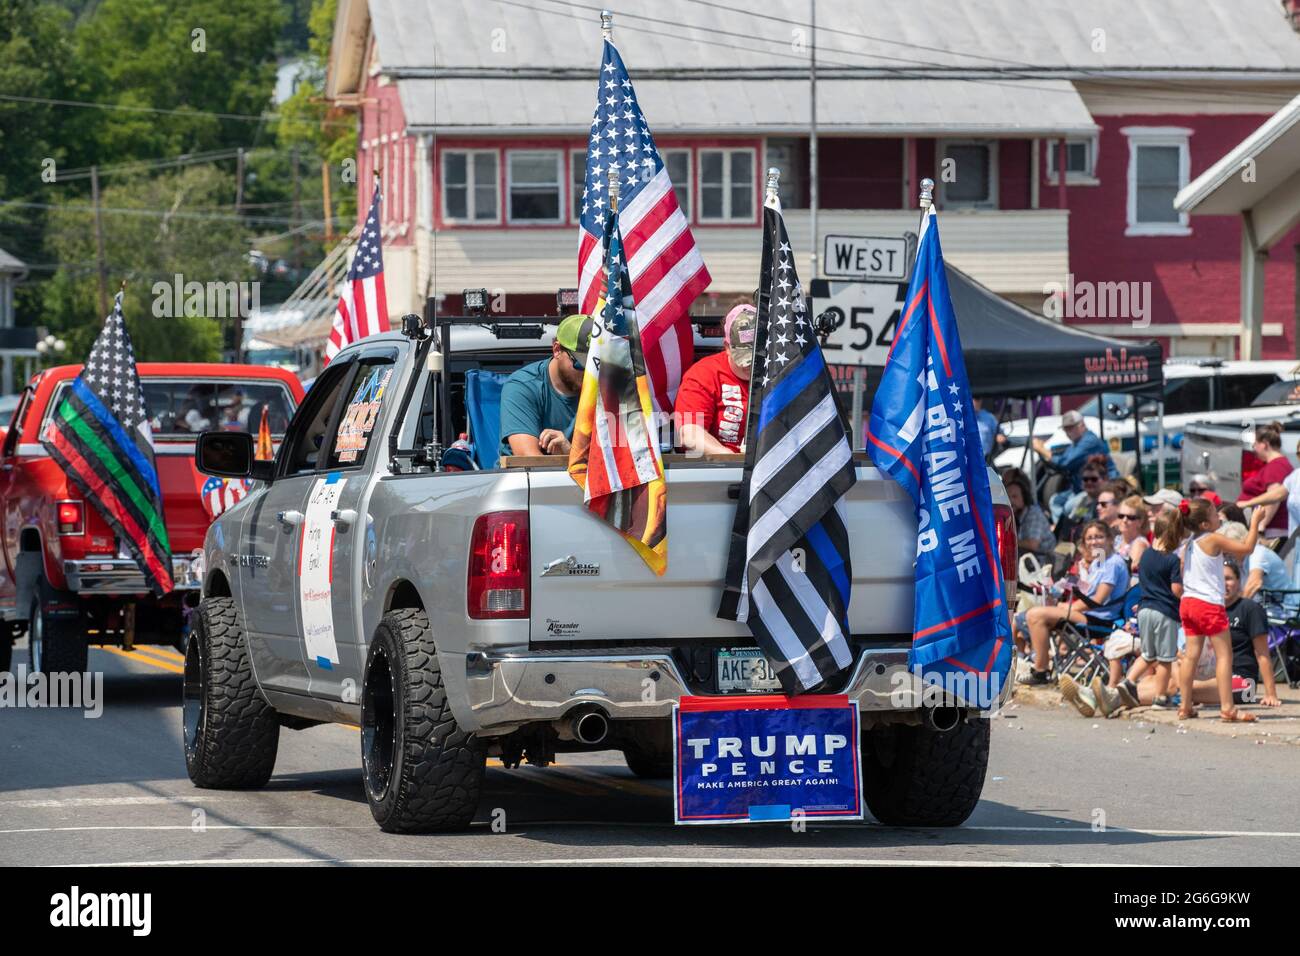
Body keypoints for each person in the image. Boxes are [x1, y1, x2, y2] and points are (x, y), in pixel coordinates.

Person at [1176, 498, 1266, 722]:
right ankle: (1228, 709)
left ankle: (1185, 705)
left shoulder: (1189, 543)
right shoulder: (1212, 539)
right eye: (1215, 514)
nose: (1219, 518)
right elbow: (1246, 548)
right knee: (1225, 655)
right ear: (1205, 524)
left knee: (1190, 657)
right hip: (1208, 604)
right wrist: (1255, 522)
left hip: (1188, 603)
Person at [1019, 520, 1129, 685]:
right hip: (1088, 614)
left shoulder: (1112, 563)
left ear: (1109, 539)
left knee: (1035, 615)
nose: (1094, 542)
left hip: (1101, 619)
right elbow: (1088, 591)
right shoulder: (1100, 561)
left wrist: (1069, 607)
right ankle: (1040, 666)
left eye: (1099, 537)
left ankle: (1040, 670)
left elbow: (1098, 600)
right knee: (1035, 614)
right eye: (1089, 538)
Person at [498, 313, 593, 458]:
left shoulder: (604, 386)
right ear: (557, 350)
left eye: (595, 365)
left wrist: (570, 452)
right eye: (580, 364)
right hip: (529, 479)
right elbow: (528, 459)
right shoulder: (522, 387)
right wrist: (574, 457)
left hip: (585, 478)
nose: (588, 372)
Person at [675, 304, 755, 455]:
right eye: (744, 358)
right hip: (718, 470)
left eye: (755, 357)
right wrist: (728, 458)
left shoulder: (777, 372)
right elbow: (690, 433)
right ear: (727, 347)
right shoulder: (703, 375)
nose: (749, 366)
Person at [1034, 409, 1117, 519]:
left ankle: (1074, 526)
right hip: (1081, 488)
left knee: (1070, 508)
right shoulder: (1075, 444)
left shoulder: (1089, 441)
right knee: (1056, 501)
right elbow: (1063, 459)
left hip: (1101, 489)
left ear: (1082, 425)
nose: (1068, 432)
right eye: (1065, 429)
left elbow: (1065, 462)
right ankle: (1062, 530)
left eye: (1071, 428)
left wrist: (1041, 449)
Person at [1224, 560, 1283, 708]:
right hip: (1214, 676)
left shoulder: (1250, 609)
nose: (1223, 583)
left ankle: (1182, 693)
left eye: (1228, 578)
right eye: (1219, 578)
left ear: (1238, 581)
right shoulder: (1211, 609)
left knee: (1187, 688)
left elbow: (1262, 654)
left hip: (1244, 683)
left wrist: (1271, 694)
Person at [1235, 422, 1294, 539]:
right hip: (1271, 529)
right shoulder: (1277, 465)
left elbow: (1274, 498)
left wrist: (1261, 526)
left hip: (1271, 531)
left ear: (1264, 444)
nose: (1254, 450)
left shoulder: (1277, 466)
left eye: (1254, 445)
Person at [1003, 469, 1055, 558]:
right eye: (1008, 497)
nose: (1011, 501)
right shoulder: (1014, 516)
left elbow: (1032, 544)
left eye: (1015, 497)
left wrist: (1006, 541)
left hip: (1044, 561)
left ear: (1024, 498)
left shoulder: (1034, 514)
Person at [1113, 495, 1149, 567]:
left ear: (1140, 521)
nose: (1124, 520)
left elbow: (1131, 570)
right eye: (1121, 516)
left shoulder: (1139, 543)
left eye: (1130, 517)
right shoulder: (1117, 540)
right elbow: (1101, 564)